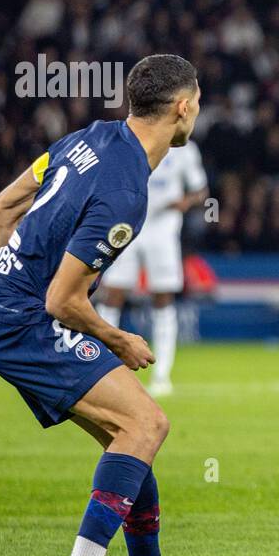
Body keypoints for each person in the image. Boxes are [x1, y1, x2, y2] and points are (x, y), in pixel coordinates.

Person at [0, 54, 221, 556]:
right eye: (198, 100)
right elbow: (63, 300)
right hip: (24, 322)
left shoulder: (85, 139)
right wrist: (120, 340)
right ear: (183, 107)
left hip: (9, 310)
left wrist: (9, 273)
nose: (198, 109)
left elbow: (1, 207)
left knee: (129, 435)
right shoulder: (126, 191)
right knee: (147, 423)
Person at [95, 139, 208, 397]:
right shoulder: (132, 140)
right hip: (128, 225)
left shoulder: (185, 149)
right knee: (112, 294)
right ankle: (101, 369)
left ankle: (161, 376)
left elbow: (201, 191)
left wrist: (184, 202)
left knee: (163, 297)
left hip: (163, 230)